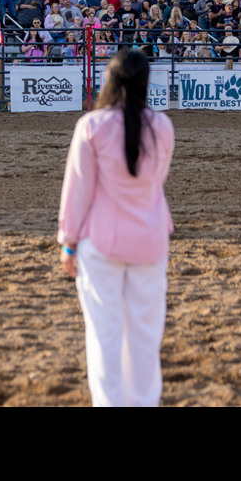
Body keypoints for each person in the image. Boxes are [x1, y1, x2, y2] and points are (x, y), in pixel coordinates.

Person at [57, 49, 176, 408]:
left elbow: (77, 190)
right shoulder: (162, 126)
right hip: (150, 240)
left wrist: (68, 241)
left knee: (104, 335)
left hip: (102, 243)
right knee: (145, 334)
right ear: (146, 82)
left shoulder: (92, 126)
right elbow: (157, 181)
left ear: (109, 80)